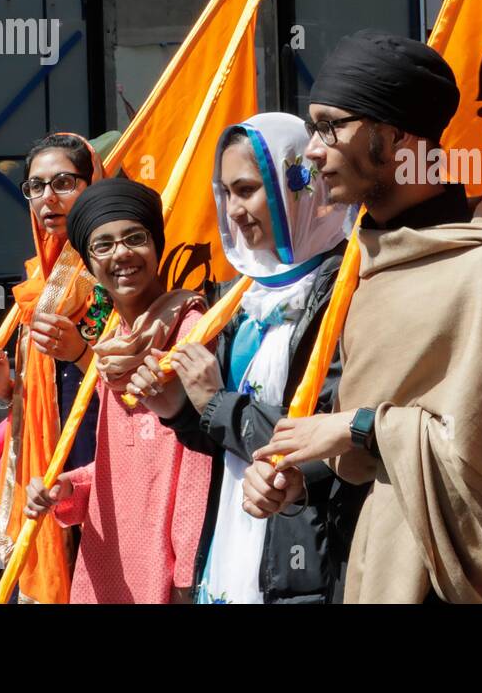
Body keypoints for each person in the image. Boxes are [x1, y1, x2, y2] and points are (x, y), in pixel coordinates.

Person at [250, 30, 482, 603]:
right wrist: (301, 477)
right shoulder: (358, 266)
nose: (313, 150)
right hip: (369, 568)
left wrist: (356, 427)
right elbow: (372, 465)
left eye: (330, 126)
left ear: (394, 135)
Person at [128, 113, 356, 604]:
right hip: (233, 539)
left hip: (306, 549)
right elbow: (226, 442)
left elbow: (330, 441)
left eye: (248, 189)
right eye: (226, 191)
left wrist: (214, 402)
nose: (232, 209)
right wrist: (178, 408)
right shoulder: (240, 296)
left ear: (297, 187)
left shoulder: (344, 289)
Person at [23, 178, 211, 603]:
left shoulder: (192, 329)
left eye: (134, 238)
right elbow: (118, 473)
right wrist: (64, 489)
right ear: (89, 265)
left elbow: (197, 467)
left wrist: (186, 576)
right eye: (102, 246)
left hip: (169, 576)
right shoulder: (112, 344)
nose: (121, 254)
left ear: (157, 246)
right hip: (111, 567)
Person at [0, 133, 104, 604]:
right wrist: (2, 384)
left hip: (103, 460)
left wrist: (81, 353)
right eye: (35, 186)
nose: (49, 198)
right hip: (47, 472)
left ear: (94, 185)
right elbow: (41, 391)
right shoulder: (40, 284)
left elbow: (142, 388)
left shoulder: (116, 272)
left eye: (64, 182)